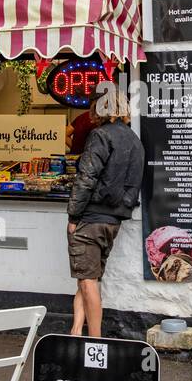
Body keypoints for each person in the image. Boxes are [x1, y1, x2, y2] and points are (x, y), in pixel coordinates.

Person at [67, 88, 144, 338]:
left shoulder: (99, 135)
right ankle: (76, 331)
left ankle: (95, 340)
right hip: (113, 221)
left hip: (90, 218)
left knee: (88, 283)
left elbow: (86, 177)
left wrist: (73, 216)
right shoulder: (134, 139)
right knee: (86, 277)